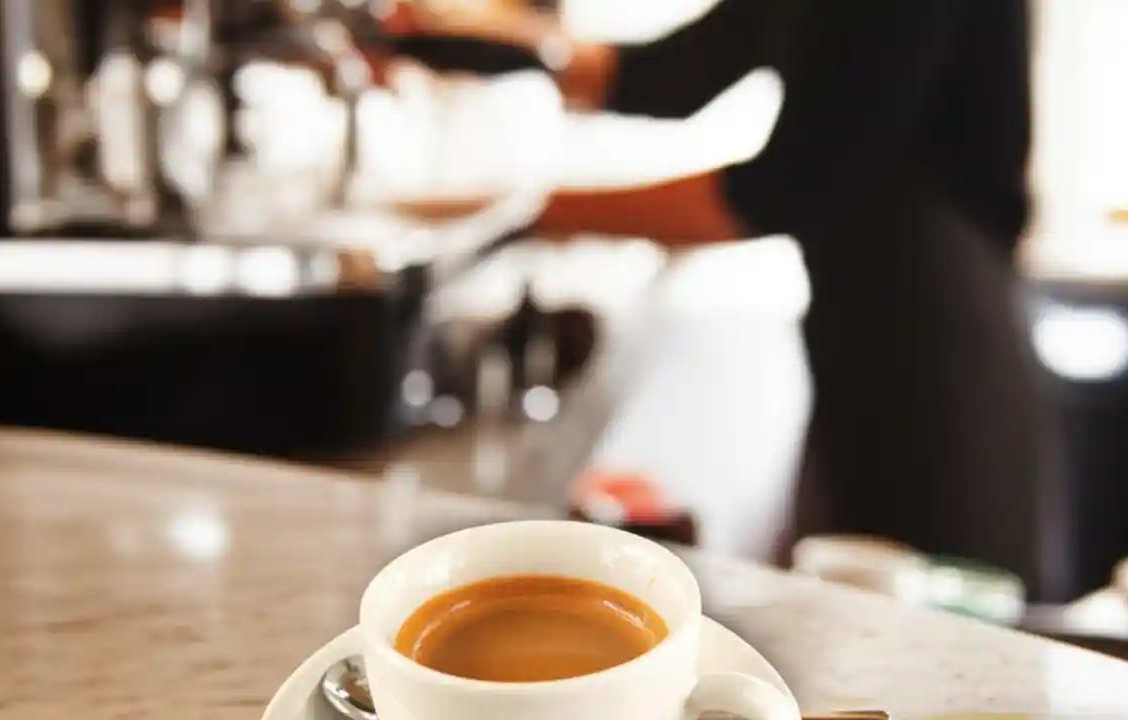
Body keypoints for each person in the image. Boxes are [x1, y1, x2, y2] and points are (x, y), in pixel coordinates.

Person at [396, 0, 1056, 594]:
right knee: (860, 601)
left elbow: (783, 188)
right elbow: (667, 77)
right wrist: (455, 35)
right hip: (858, 322)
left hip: (940, 338)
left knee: (942, 627)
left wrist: (520, 210)